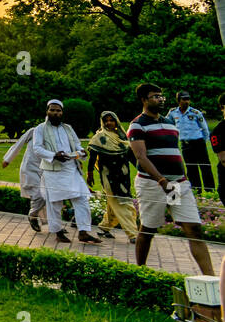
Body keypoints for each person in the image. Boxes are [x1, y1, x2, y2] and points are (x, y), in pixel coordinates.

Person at [127, 83, 214, 274]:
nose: (160, 99)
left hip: (177, 184)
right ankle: (139, 271)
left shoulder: (169, 122)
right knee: (148, 229)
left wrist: (179, 179)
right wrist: (161, 181)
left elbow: (175, 152)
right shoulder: (137, 125)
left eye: (161, 96)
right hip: (153, 184)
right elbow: (141, 157)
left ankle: (211, 279)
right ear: (144, 99)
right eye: (155, 96)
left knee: (193, 229)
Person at [31, 100, 101, 245]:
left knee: (82, 199)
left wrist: (80, 151)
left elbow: (76, 144)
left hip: (71, 169)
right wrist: (54, 155)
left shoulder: (68, 128)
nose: (56, 113)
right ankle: (57, 232)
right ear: (47, 111)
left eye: (59, 111)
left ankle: (83, 232)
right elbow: (37, 148)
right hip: (53, 171)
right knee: (55, 203)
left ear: (62, 112)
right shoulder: (40, 128)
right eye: (53, 110)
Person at [86, 110, 138, 240]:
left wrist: (142, 169)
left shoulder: (122, 136)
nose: (109, 123)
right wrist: (90, 174)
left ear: (116, 121)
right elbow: (92, 157)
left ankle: (105, 226)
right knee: (123, 203)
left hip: (123, 174)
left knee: (114, 201)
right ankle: (133, 234)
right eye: (106, 120)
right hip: (108, 175)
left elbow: (131, 156)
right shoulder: (100, 137)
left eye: (111, 120)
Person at [169, 91, 214, 194]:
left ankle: (210, 191)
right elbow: (168, 124)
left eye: (188, 99)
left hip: (198, 143)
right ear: (178, 100)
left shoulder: (195, 112)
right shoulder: (173, 113)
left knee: (205, 167)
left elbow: (205, 128)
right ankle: (196, 191)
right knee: (191, 168)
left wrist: (205, 141)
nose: (187, 102)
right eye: (184, 99)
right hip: (185, 144)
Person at [2, 125, 45, 231]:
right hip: (29, 168)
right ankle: (32, 215)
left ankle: (56, 227)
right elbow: (20, 143)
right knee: (38, 195)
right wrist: (8, 159)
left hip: (46, 170)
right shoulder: (34, 131)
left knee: (51, 197)